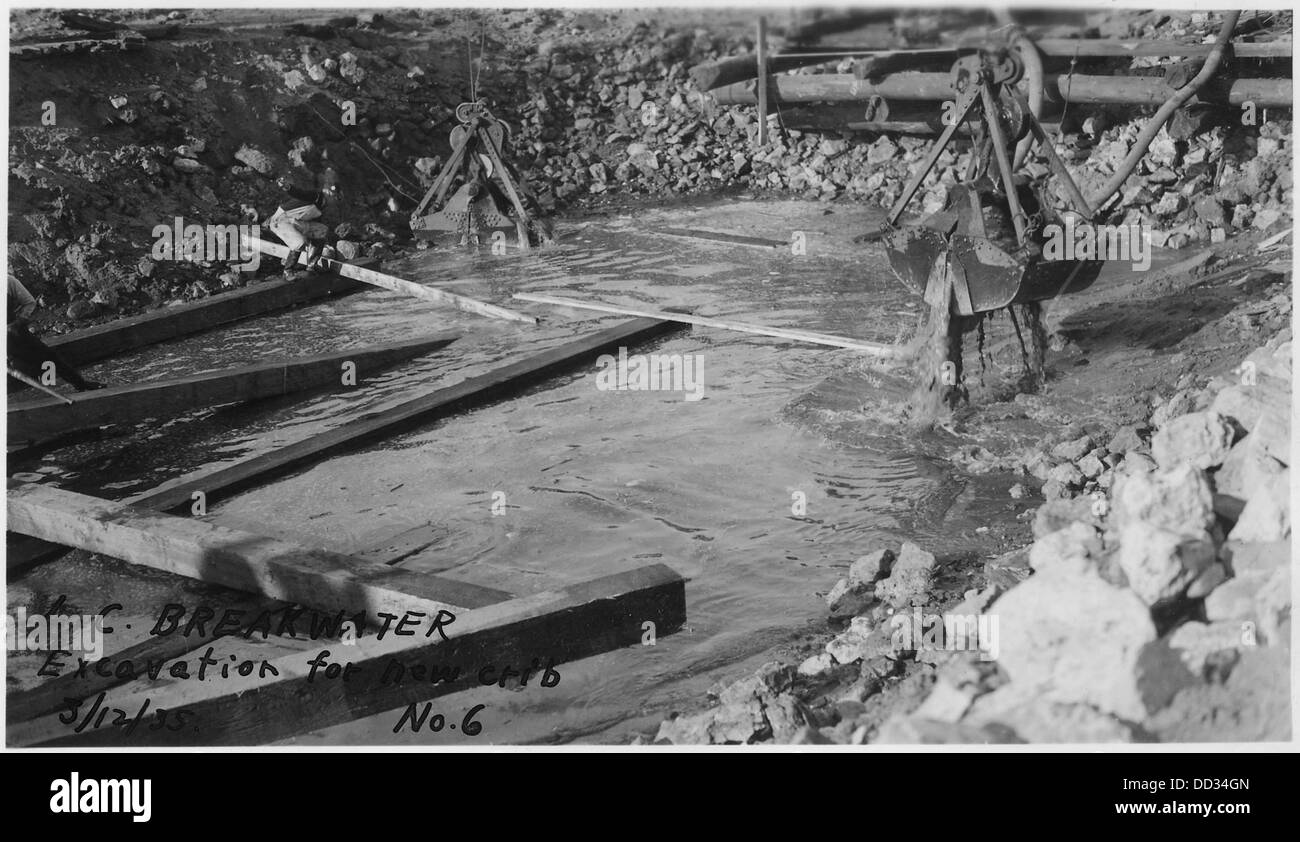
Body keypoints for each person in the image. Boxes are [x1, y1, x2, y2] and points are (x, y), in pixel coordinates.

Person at [7, 273, 99, 391]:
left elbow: (29, 302)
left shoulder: (8, 281)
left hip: (16, 333)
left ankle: (81, 384)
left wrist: (17, 323)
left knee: (50, 358)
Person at [265, 167, 340, 278]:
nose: (333, 199)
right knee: (299, 242)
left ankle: (311, 267)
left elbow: (314, 229)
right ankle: (288, 271)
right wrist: (288, 187)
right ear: (327, 192)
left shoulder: (322, 206)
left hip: (295, 222)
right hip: (280, 221)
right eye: (333, 196)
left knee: (321, 230)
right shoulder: (315, 196)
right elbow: (299, 193)